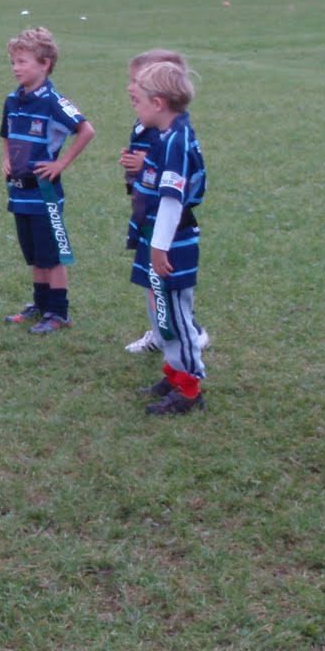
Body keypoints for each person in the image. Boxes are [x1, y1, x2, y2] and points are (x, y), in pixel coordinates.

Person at [1, 27, 94, 333]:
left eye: (23, 61)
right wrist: (6, 159)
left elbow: (86, 130)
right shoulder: (13, 101)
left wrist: (61, 163)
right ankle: (41, 305)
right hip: (19, 193)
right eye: (14, 61)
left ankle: (59, 312)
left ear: (45, 63)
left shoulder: (53, 101)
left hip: (45, 194)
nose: (16, 67)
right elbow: (6, 134)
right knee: (36, 255)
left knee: (52, 256)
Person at [128, 59, 208, 414]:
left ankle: (190, 388)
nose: (135, 106)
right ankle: (174, 374)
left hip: (174, 241)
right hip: (160, 238)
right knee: (163, 312)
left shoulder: (178, 140)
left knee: (177, 314)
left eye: (138, 101)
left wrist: (159, 248)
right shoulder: (167, 135)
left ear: (158, 103)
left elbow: (173, 201)